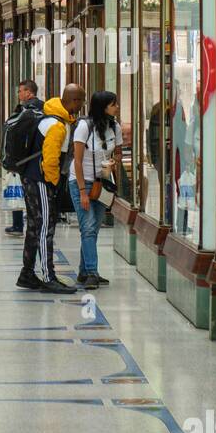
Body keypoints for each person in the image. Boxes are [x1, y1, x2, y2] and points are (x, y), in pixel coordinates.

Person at [17, 83, 85, 293]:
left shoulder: (53, 118)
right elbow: (50, 161)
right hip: (41, 181)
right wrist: (53, 185)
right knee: (46, 227)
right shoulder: (56, 125)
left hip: (32, 178)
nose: (81, 106)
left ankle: (27, 273)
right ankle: (48, 277)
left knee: (36, 227)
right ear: (73, 101)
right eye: (80, 101)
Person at [70, 91, 122, 288]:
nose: (116, 107)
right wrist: (83, 191)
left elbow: (117, 150)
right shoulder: (84, 126)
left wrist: (114, 161)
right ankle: (92, 272)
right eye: (113, 104)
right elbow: (77, 161)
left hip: (103, 183)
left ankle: (84, 272)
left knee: (93, 229)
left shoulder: (114, 126)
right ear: (102, 107)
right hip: (81, 182)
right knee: (88, 227)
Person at [3, 80, 43, 235]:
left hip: (23, 159)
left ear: (29, 92)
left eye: (20, 91)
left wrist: (10, 160)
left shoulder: (25, 110)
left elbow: (15, 134)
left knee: (20, 192)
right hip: (38, 157)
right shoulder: (43, 108)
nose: (18, 94)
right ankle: (37, 222)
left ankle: (19, 225)